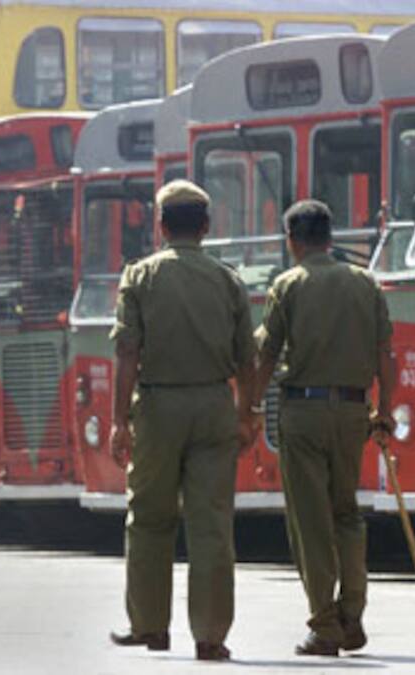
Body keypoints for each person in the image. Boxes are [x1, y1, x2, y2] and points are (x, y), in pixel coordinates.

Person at [108, 180, 259, 662]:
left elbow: (127, 351)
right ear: (207, 227)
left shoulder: (140, 277)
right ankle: (211, 636)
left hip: (157, 407)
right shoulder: (228, 279)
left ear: (161, 226)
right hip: (215, 405)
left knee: (150, 518)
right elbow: (248, 360)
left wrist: (118, 420)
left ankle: (150, 625)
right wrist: (246, 414)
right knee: (211, 524)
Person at [252, 199, 397, 657]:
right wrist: (386, 410)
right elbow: (385, 354)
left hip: (304, 412)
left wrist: (249, 407)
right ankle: (353, 617)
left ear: (292, 241)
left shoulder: (288, 285)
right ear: (330, 238)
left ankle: (324, 626)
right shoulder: (364, 283)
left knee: (310, 521)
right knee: (347, 513)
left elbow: (266, 354)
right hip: (354, 411)